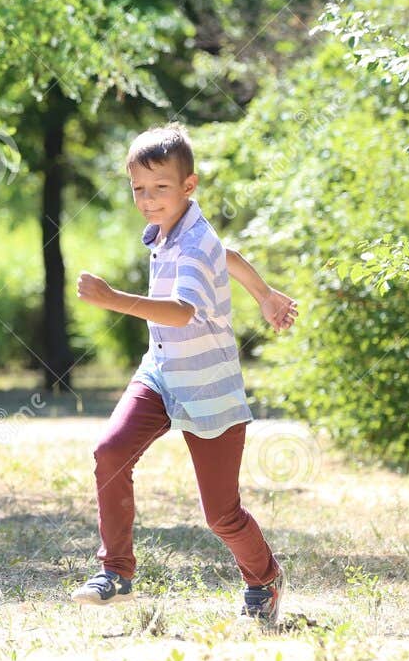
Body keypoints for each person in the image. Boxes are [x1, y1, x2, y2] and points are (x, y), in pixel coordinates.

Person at [72, 123, 298, 623]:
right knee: (110, 452)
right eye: (138, 189)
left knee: (221, 514)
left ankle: (264, 579)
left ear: (188, 187)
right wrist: (264, 295)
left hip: (208, 389)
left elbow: (181, 311)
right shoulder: (169, 231)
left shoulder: (194, 243)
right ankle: (115, 571)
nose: (148, 201)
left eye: (160, 189)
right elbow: (231, 256)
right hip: (162, 371)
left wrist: (112, 300)